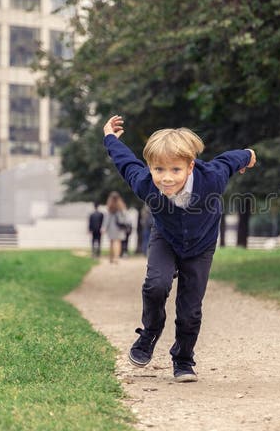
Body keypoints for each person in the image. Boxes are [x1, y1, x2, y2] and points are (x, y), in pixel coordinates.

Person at [102, 114, 256, 382]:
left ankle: (183, 359)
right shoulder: (145, 183)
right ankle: (150, 333)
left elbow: (230, 160)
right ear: (150, 168)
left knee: (190, 309)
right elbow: (125, 163)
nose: (166, 178)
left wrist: (249, 155)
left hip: (201, 244)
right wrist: (109, 138)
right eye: (158, 169)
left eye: (175, 170)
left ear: (190, 167)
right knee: (155, 285)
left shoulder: (212, 178)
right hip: (166, 237)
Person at [104, 190, 129, 264]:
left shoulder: (109, 206)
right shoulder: (121, 206)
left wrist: (104, 227)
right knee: (117, 242)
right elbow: (125, 217)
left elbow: (107, 218)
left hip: (111, 227)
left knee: (112, 242)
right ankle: (116, 258)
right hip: (120, 227)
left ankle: (111, 258)